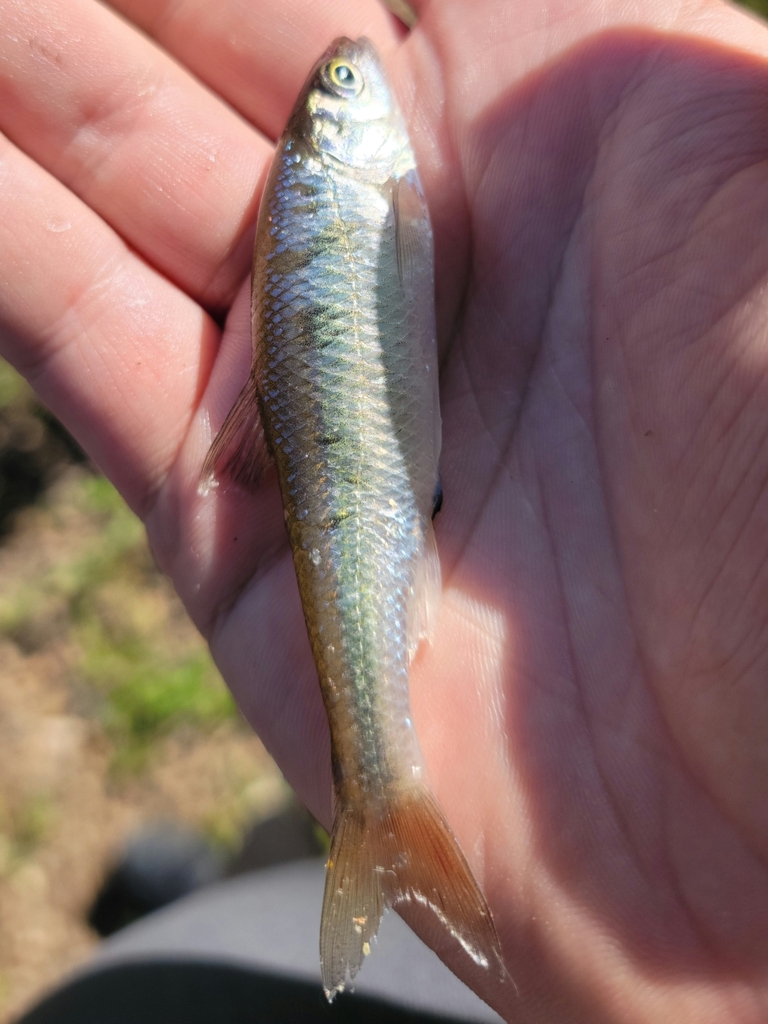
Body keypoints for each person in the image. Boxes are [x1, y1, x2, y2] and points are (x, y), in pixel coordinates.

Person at [1, 0, 767, 1019]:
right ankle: (376, 803)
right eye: (340, 95)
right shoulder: (368, 190)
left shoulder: (365, 195)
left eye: (338, 89)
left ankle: (347, 828)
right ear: (336, 150)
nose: (351, 74)